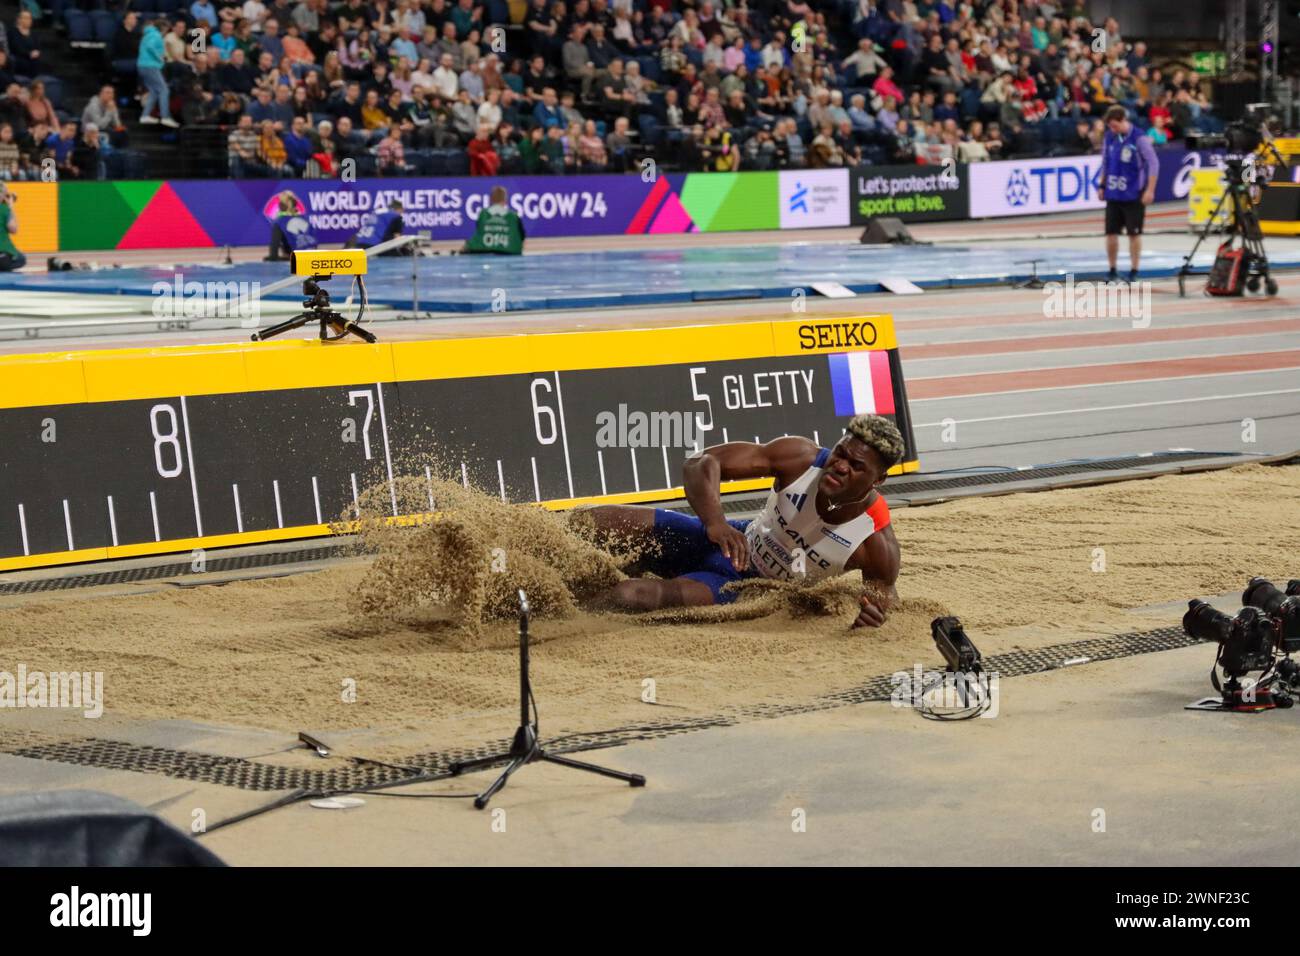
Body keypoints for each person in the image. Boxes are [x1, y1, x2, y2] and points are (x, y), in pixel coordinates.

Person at [577, 414, 903, 625]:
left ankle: (559, 620)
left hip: (745, 588)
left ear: (878, 480)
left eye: (856, 466)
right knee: (599, 520)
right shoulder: (801, 458)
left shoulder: (874, 541)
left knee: (632, 595)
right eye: (840, 453)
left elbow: (883, 596)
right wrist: (715, 521)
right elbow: (701, 461)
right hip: (729, 539)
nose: (840, 466)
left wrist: (873, 616)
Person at [1099, 104, 1157, 283]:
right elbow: (1105, 162)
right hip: (1113, 194)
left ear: (1123, 120)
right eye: (1110, 126)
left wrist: (1150, 190)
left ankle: (1134, 270)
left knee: (1134, 234)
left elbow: (1154, 163)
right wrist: (1102, 186)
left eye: (1115, 125)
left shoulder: (1139, 138)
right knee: (1110, 233)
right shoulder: (1109, 137)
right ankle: (1112, 269)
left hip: (1133, 194)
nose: (1112, 129)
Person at [138, 19, 179, 128]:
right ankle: (165, 117)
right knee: (164, 90)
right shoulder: (156, 35)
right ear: (164, 28)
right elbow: (150, 47)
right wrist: (160, 58)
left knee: (154, 91)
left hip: (143, 65)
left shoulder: (149, 34)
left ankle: (145, 115)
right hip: (150, 65)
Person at [462, 184, 524, 254]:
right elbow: (522, 236)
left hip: (482, 251)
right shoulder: (513, 216)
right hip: (508, 251)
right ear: (505, 199)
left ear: (491, 199)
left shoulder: (483, 213)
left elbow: (479, 230)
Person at [0, 183, 25, 271]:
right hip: (2, 253)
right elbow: (13, 229)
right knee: (21, 258)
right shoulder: (4, 210)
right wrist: (10, 208)